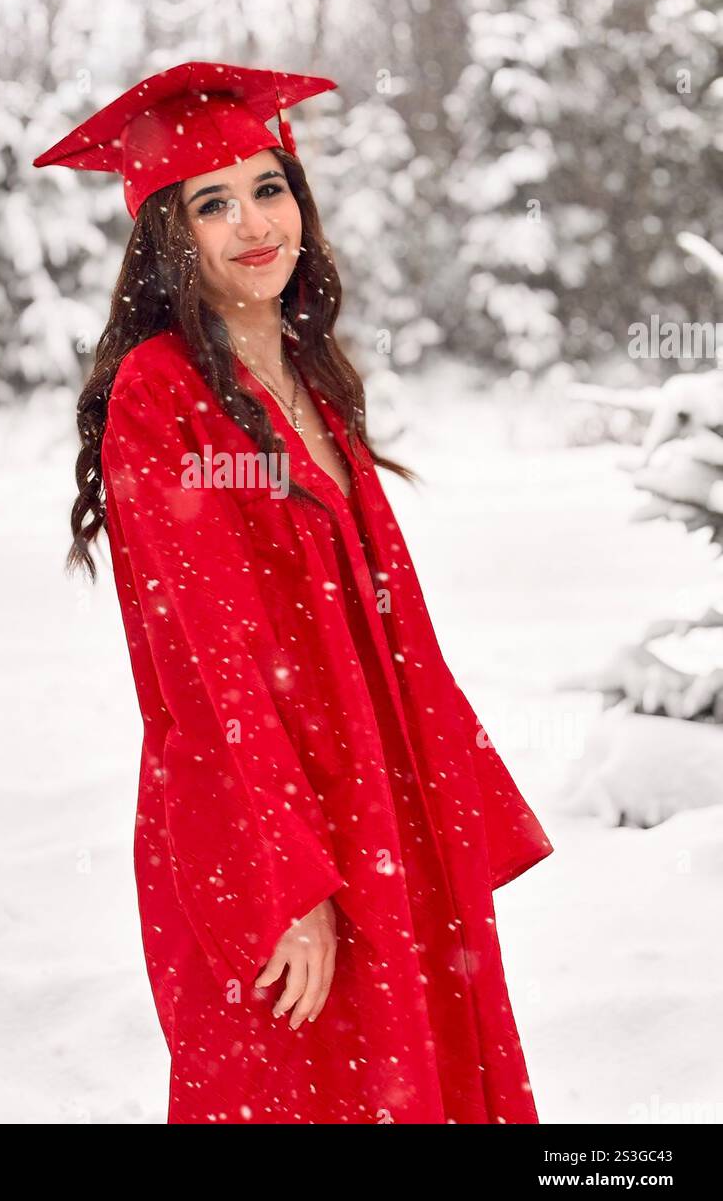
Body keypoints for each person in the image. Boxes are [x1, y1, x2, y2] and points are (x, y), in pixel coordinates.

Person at [32, 61, 555, 1125]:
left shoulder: (315, 374)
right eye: (210, 203)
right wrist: (286, 881)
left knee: (426, 1081)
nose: (253, 224)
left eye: (268, 189)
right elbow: (206, 661)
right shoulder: (160, 396)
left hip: (383, 797)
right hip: (267, 816)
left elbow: (393, 624)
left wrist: (446, 808)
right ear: (168, 237)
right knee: (299, 1089)